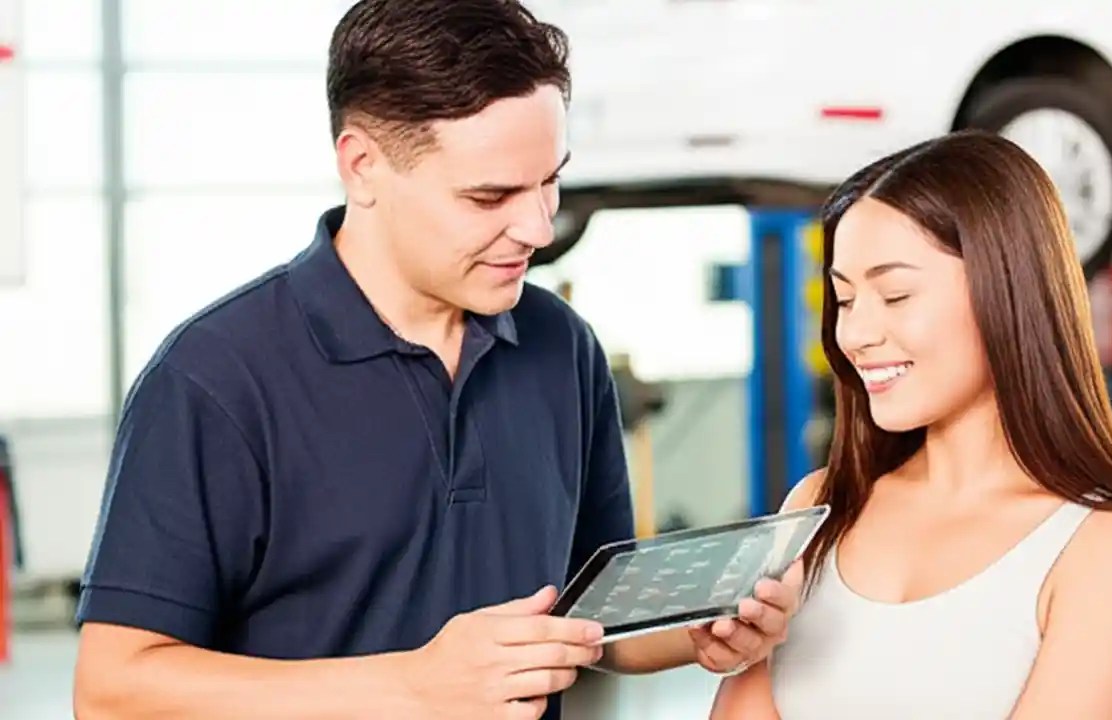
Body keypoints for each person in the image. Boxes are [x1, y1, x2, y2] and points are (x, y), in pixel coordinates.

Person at [71, 2, 801, 718]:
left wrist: (702, 627)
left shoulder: (561, 348)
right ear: (363, 167)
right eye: (491, 196)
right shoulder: (216, 381)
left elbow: (591, 615)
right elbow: (113, 691)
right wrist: (412, 689)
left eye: (551, 181)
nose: (539, 227)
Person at [709, 130, 1112, 720]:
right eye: (846, 299)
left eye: (896, 294)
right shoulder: (820, 507)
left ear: (1007, 292)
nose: (855, 334)